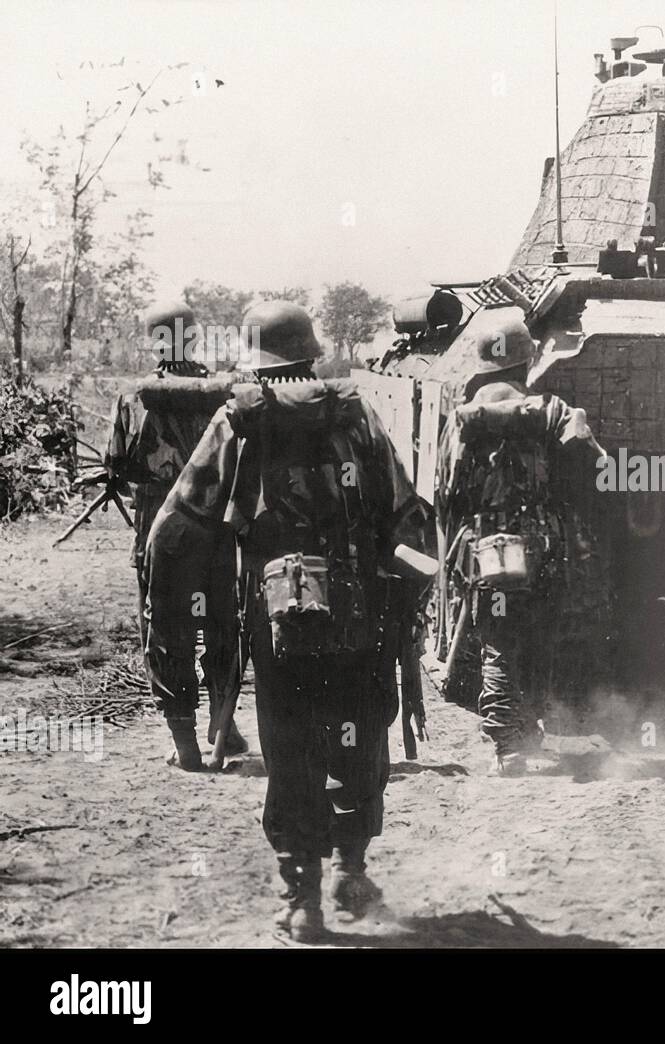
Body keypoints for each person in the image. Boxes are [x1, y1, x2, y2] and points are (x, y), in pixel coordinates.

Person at [144, 301, 428, 941]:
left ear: (253, 359)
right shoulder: (355, 414)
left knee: (289, 745)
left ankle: (302, 901)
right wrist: (405, 611)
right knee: (359, 736)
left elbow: (175, 529)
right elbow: (406, 513)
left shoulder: (238, 422)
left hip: (279, 625)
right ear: (310, 354)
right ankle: (350, 868)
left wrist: (174, 611)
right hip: (358, 620)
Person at [434, 314, 604, 777]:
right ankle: (528, 733)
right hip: (545, 544)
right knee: (539, 641)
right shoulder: (551, 410)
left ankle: (509, 746)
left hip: (491, 550)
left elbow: (448, 492)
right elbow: (593, 467)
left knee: (500, 644)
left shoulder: (464, 420)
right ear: (527, 361)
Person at [104, 300, 245, 768]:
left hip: (158, 528)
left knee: (165, 625)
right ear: (196, 336)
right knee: (222, 620)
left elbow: (117, 467)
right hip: (216, 523)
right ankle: (225, 727)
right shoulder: (221, 392)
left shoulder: (134, 396)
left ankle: (183, 739)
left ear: (155, 339)